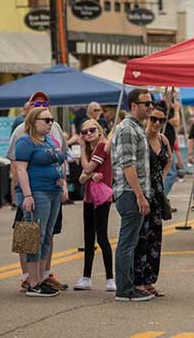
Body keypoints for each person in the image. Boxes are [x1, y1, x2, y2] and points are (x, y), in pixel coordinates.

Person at [7, 91, 69, 293]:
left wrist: (63, 182)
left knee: (47, 235)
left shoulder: (53, 133)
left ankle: (42, 277)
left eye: (47, 107)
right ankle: (29, 279)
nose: (50, 121)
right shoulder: (21, 135)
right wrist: (23, 194)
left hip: (52, 190)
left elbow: (61, 158)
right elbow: (17, 167)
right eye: (38, 105)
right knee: (29, 234)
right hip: (33, 191)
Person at [111, 88, 155, 302]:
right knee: (127, 242)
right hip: (129, 192)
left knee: (131, 241)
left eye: (151, 103)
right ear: (134, 105)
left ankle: (128, 285)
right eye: (146, 103)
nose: (151, 107)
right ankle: (124, 288)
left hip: (134, 191)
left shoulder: (136, 127)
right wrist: (139, 195)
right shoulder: (128, 128)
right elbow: (128, 164)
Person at [133, 101, 172, 297]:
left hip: (157, 194)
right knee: (140, 238)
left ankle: (148, 281)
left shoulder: (163, 139)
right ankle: (137, 281)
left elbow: (169, 159)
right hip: (142, 193)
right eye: (153, 119)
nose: (157, 123)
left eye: (161, 120)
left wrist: (162, 178)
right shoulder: (139, 138)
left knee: (154, 239)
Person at [75, 118, 115, 292]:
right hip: (89, 197)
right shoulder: (94, 148)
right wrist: (88, 175)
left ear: (99, 130)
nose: (88, 134)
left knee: (102, 237)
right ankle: (86, 277)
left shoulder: (101, 146)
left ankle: (110, 278)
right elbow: (82, 177)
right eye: (84, 132)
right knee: (89, 237)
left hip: (101, 197)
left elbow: (87, 168)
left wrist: (82, 150)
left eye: (91, 130)